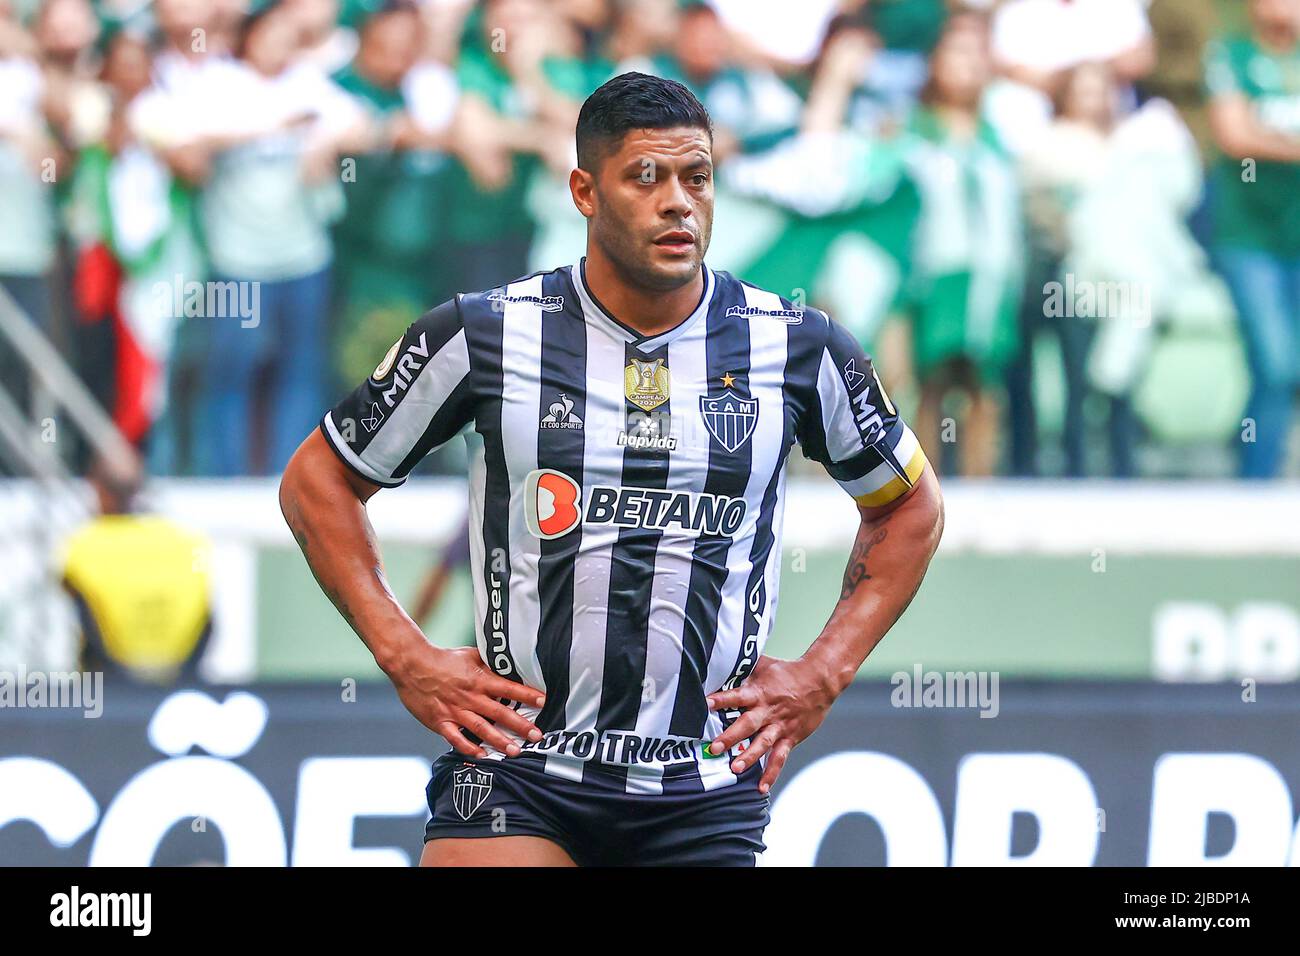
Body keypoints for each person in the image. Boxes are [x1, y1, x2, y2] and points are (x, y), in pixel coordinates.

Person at [279, 72, 944, 867]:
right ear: (584, 192)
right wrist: (405, 656)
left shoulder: (799, 348)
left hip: (700, 781)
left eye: (697, 178)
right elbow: (318, 479)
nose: (678, 202)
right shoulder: (484, 335)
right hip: (518, 767)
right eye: (646, 177)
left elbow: (910, 507)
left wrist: (824, 673)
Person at [1205, 0, 1300, 478]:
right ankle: (1255, 480)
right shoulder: (1233, 55)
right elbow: (1236, 135)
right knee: (1276, 362)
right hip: (1250, 239)